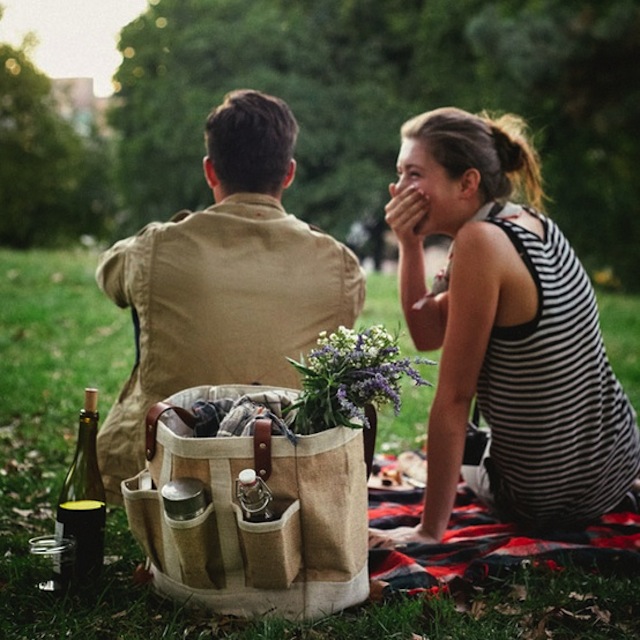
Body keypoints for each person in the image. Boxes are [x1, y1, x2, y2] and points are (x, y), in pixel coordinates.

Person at [375, 106, 640, 543]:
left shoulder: (479, 242)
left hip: (547, 500)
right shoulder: (528, 223)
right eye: (400, 173)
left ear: (468, 182)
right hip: (617, 465)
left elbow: (455, 399)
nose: (398, 189)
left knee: (466, 451)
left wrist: (427, 531)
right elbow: (428, 332)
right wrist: (410, 243)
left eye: (413, 174)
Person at [96, 90, 366, 504]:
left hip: (166, 464)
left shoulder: (156, 249)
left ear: (210, 171)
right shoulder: (340, 265)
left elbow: (108, 275)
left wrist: (170, 235)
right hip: (287, 470)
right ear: (289, 173)